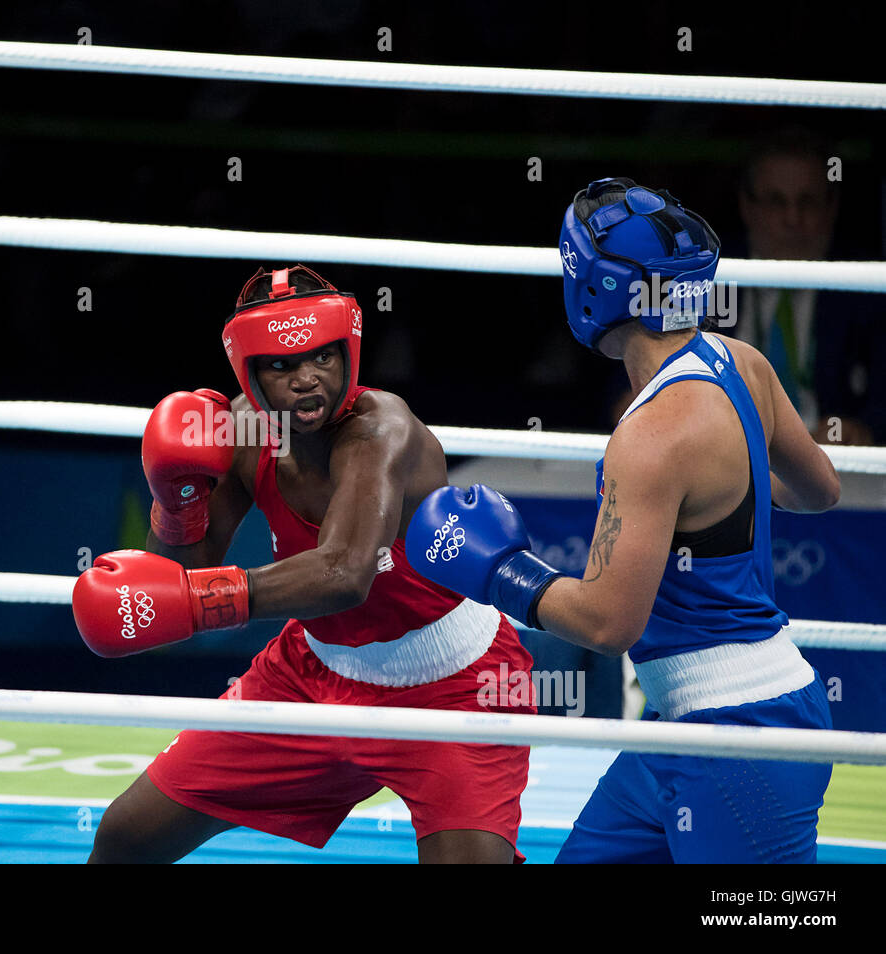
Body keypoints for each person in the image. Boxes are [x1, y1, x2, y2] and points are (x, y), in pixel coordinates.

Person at [405, 179, 841, 863]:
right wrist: (732, 487)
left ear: (595, 288)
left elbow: (610, 625)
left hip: (741, 735)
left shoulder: (650, 438)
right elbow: (820, 491)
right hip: (676, 726)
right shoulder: (743, 365)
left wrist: (498, 572)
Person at [72, 265, 535, 863]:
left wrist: (198, 601)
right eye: (282, 365)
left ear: (349, 353)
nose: (307, 380)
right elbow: (184, 574)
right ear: (250, 372)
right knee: (124, 836)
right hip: (308, 678)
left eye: (322, 357)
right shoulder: (240, 430)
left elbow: (344, 574)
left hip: (453, 688)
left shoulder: (383, 431)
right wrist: (176, 503)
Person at [730, 128, 882, 444]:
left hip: (828, 466)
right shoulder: (707, 275)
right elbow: (627, 386)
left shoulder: (868, 285)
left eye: (808, 202)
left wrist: (861, 430)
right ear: (747, 205)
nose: (792, 218)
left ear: (832, 206)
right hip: (724, 456)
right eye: (775, 201)